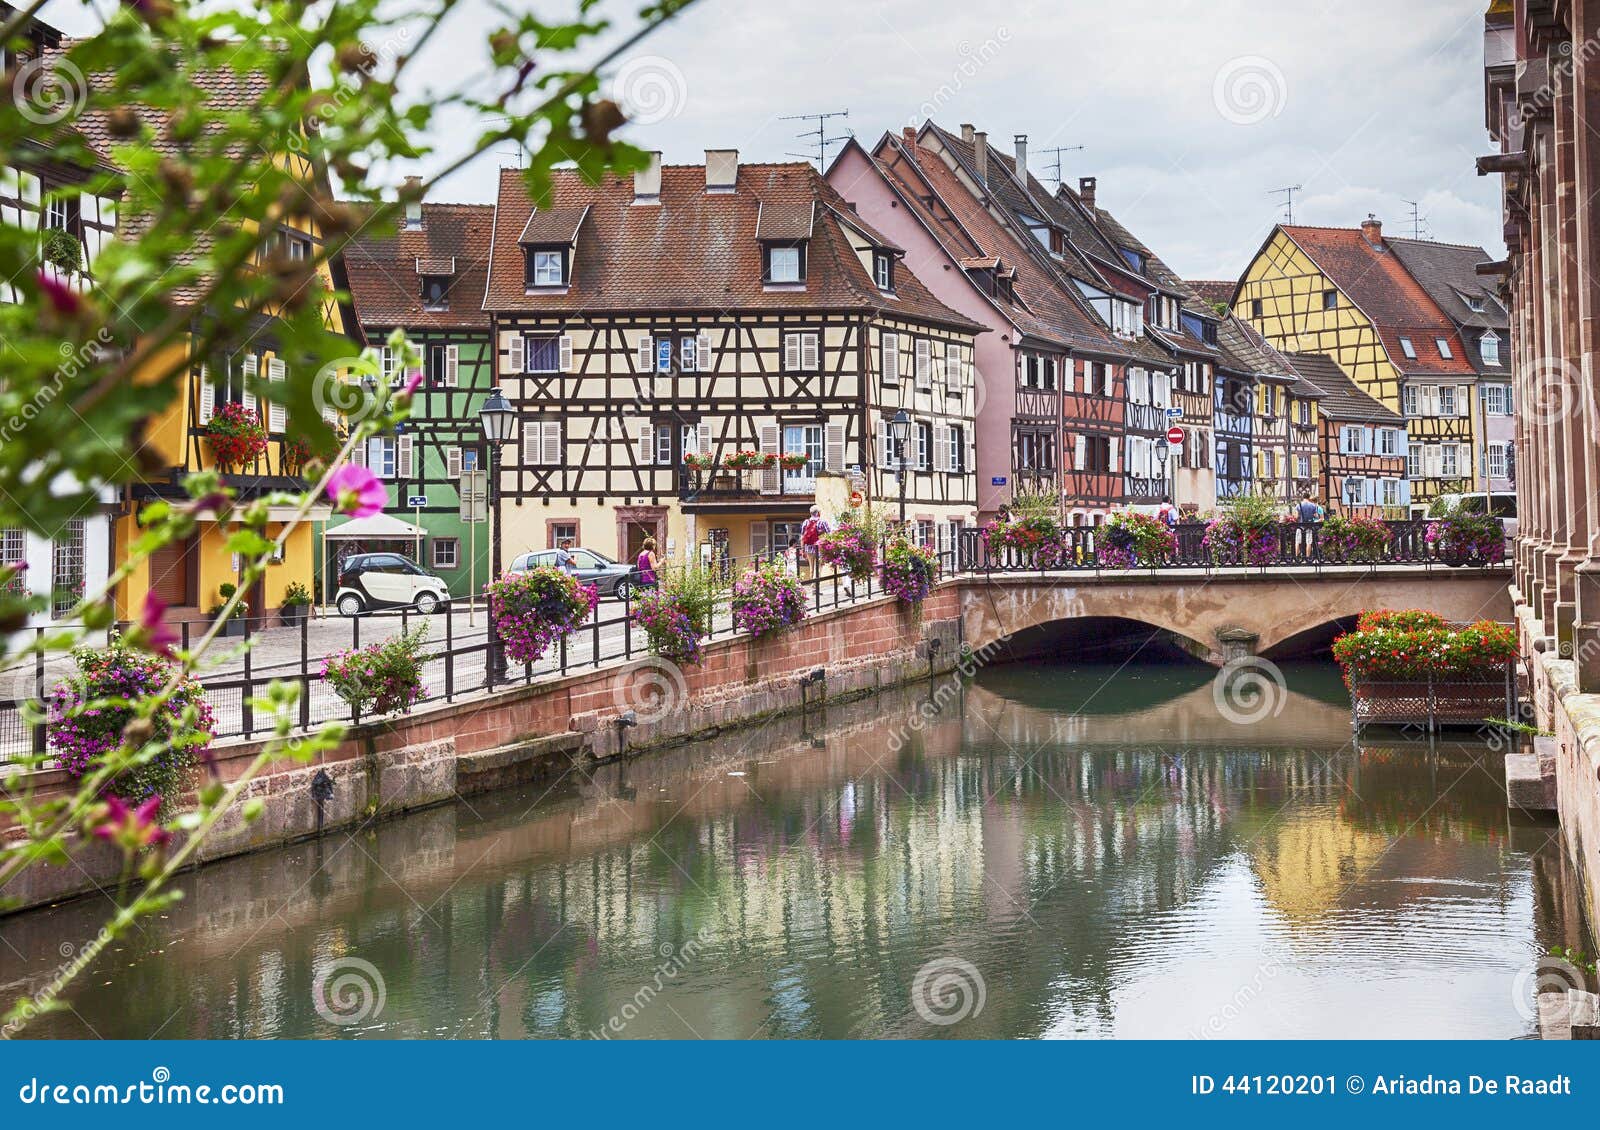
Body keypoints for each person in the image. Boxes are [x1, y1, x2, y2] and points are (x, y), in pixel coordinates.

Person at [799, 505, 829, 576]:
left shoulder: (806, 522)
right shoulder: (822, 522)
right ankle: (815, 584)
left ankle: (812, 581)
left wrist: (802, 549)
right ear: (818, 513)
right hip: (819, 547)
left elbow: (802, 537)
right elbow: (829, 534)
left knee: (811, 568)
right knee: (818, 567)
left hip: (808, 548)